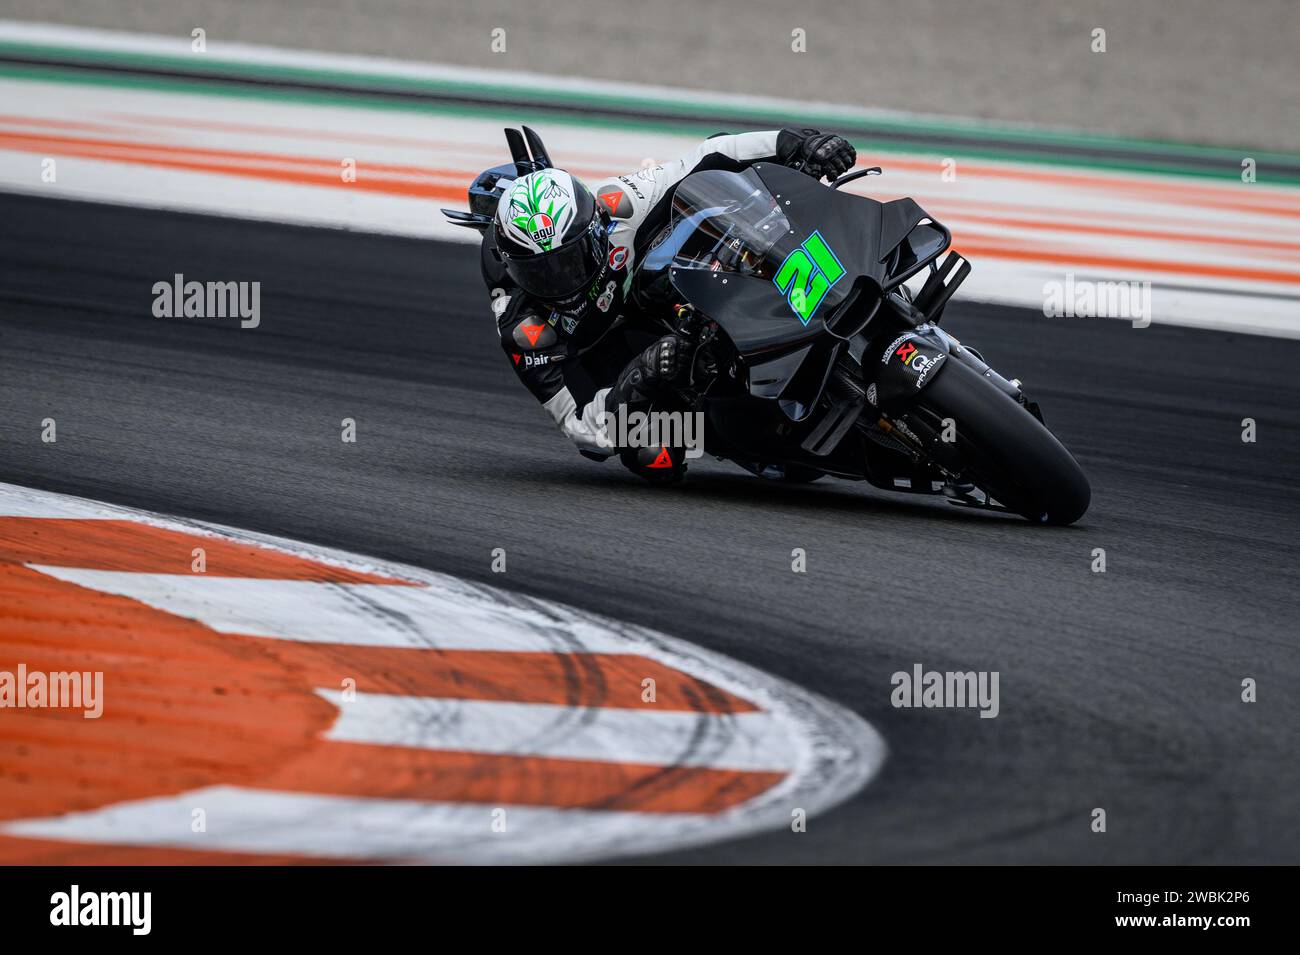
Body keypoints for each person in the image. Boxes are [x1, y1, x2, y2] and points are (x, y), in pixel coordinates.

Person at [480, 127, 856, 481]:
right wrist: (643, 371)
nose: (560, 280)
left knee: (738, 215)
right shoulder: (525, 330)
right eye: (541, 273)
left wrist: (796, 143)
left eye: (569, 261)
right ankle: (730, 422)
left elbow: (709, 154)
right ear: (514, 270)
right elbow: (580, 429)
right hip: (614, 358)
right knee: (653, 455)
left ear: (595, 225)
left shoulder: (619, 203)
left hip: (664, 289)